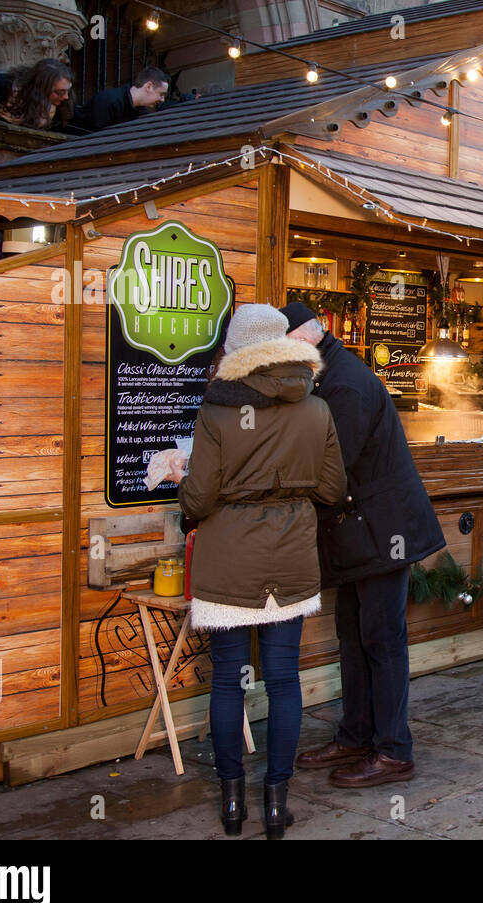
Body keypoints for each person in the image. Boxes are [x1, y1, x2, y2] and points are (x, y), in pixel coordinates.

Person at [173, 303, 346, 839]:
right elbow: (332, 489)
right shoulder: (315, 407)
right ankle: (276, 802)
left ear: (236, 351)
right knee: (284, 679)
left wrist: (185, 492)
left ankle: (231, 801)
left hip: (229, 556)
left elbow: (198, 496)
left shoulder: (219, 410)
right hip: (292, 554)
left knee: (228, 681)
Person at [283, 302, 447, 787]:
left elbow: (332, 466)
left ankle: (394, 750)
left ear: (307, 337)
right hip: (357, 534)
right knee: (353, 637)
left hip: (382, 532)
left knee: (382, 639)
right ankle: (356, 734)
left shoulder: (347, 384)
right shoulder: (324, 375)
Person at [0, 58, 74, 131]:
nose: (66, 97)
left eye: (68, 91)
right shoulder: (0, 87)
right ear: (41, 89)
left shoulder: (63, 107)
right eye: (59, 92)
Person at [74, 66, 169, 131]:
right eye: (161, 94)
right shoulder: (108, 100)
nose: (162, 100)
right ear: (149, 86)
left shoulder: (141, 112)